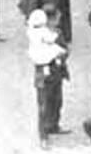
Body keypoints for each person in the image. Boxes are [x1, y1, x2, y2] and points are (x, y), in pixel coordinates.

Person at [29, 10, 70, 146]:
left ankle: (53, 125)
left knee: (57, 99)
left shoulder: (55, 33)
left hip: (56, 69)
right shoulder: (36, 35)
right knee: (43, 105)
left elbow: (64, 49)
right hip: (43, 71)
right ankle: (43, 136)